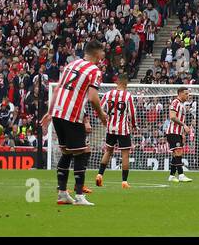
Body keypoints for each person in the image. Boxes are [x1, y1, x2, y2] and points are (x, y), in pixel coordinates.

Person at [42, 41, 108, 206]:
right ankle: (79, 195)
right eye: (103, 54)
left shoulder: (71, 64)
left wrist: (50, 113)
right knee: (82, 152)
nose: (103, 57)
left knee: (67, 152)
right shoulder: (94, 70)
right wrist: (101, 115)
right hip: (72, 114)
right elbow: (93, 97)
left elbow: (58, 89)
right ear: (97, 54)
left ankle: (62, 193)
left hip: (57, 111)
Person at [96, 73, 138, 190]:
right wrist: (134, 125)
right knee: (125, 155)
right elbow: (132, 113)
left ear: (116, 82)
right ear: (126, 84)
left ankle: (100, 175)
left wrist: (103, 119)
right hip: (123, 129)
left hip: (110, 128)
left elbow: (98, 108)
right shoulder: (128, 96)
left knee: (108, 151)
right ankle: (124, 181)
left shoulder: (108, 94)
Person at [165, 86, 194, 182]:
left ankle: (172, 176)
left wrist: (182, 134)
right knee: (178, 152)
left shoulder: (182, 105)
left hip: (178, 133)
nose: (188, 95)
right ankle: (181, 175)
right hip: (172, 132)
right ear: (180, 93)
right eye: (186, 93)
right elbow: (172, 117)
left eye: (188, 93)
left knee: (177, 154)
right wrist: (184, 125)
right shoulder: (175, 102)